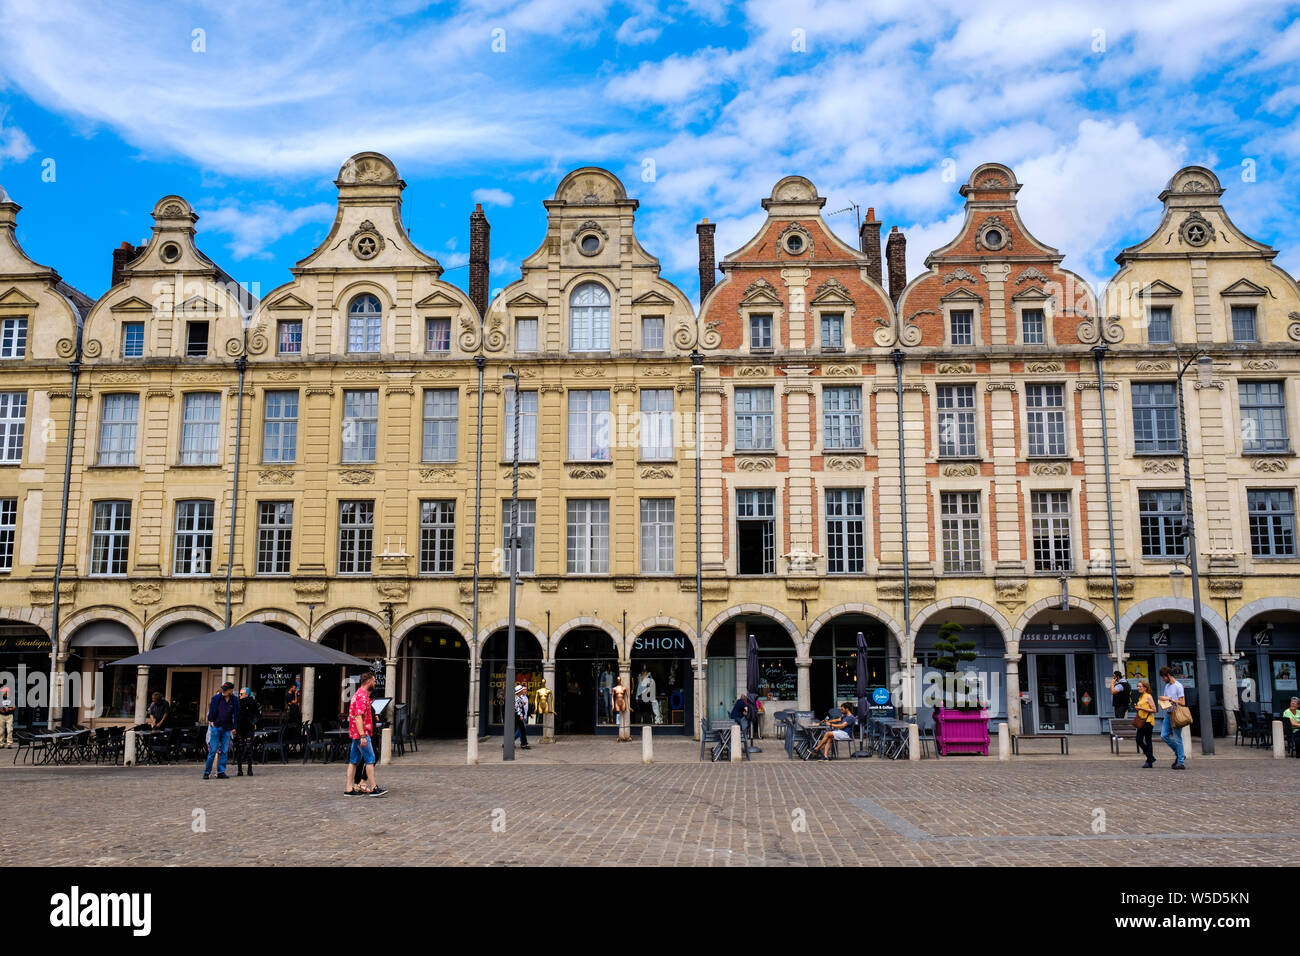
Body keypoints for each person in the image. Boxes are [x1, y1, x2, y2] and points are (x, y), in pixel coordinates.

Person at [345, 671, 385, 797]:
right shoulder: (362, 696)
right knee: (370, 759)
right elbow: (358, 716)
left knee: (353, 761)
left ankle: (349, 788)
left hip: (355, 734)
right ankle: (373, 788)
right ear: (368, 682)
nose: (375, 683)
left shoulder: (357, 694)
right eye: (374, 681)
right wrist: (363, 735)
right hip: (362, 733)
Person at [203, 681, 239, 780]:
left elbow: (236, 714)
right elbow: (211, 713)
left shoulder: (234, 700)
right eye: (224, 690)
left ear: (230, 691)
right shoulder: (216, 698)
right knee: (213, 751)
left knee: (224, 751)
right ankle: (207, 772)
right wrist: (212, 722)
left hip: (227, 728)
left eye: (226, 690)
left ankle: (221, 772)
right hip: (216, 726)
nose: (224, 692)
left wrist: (235, 727)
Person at [1157, 665, 1187, 770]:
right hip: (1168, 713)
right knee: (1164, 735)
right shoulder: (1167, 686)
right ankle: (1180, 753)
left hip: (1176, 714)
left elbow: (1183, 703)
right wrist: (1162, 701)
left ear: (1168, 675)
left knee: (1177, 738)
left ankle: (1181, 761)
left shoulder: (1178, 686)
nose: (1162, 679)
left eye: (1163, 677)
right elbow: (1167, 700)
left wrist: (1169, 698)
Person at [234, 688, 261, 777]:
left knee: (249, 748)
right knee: (239, 748)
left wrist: (253, 722)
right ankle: (239, 769)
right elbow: (234, 715)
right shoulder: (237, 703)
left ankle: (249, 769)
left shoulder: (253, 702)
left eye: (241, 694)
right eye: (240, 694)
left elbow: (257, 714)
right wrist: (234, 727)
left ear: (247, 694)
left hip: (249, 728)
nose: (240, 695)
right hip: (239, 728)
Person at [1134, 679, 1157, 768]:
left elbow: (1154, 710)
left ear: (1145, 688)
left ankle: (1149, 761)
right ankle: (1150, 757)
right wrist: (1138, 708)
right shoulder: (1141, 697)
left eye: (1140, 686)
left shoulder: (1148, 696)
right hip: (1141, 721)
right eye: (1138, 686)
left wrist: (1142, 709)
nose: (1138, 688)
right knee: (1138, 740)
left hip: (1148, 721)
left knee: (1148, 741)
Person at [513, 683, 531, 750]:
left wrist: (522, 704)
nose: (523, 691)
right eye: (522, 690)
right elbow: (517, 708)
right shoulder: (517, 698)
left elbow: (519, 706)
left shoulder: (519, 697)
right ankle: (523, 744)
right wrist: (520, 715)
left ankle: (523, 744)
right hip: (518, 716)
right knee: (521, 729)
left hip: (518, 716)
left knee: (521, 730)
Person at [0, 683, 14, 748]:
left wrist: (9, 709)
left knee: (9, 730)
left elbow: (14, 707)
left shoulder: (11, 698)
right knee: (1, 730)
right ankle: (1, 744)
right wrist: (2, 710)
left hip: (9, 715)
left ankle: (9, 744)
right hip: (1, 716)